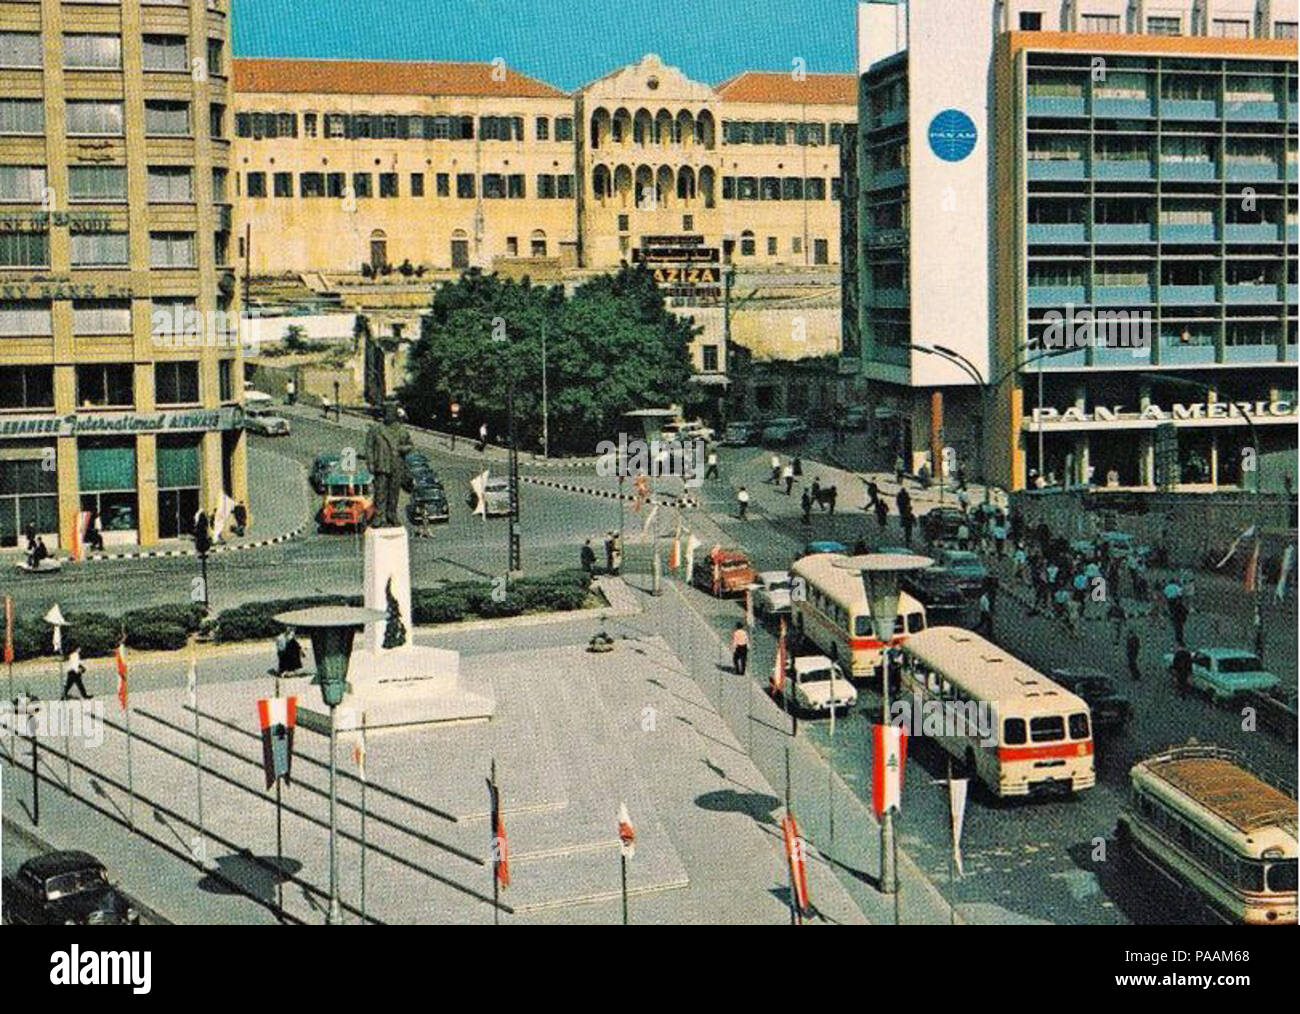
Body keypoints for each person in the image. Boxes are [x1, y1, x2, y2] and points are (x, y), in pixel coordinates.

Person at [365, 402, 410, 528]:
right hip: (382, 464)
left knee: (394, 493)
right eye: (386, 413)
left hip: (396, 465)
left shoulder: (402, 430)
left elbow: (410, 445)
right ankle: (378, 517)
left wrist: (402, 448)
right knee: (380, 492)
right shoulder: (376, 429)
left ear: (395, 415)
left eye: (391, 413)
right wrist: (370, 463)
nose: (388, 416)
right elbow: (369, 447)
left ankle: (392, 515)